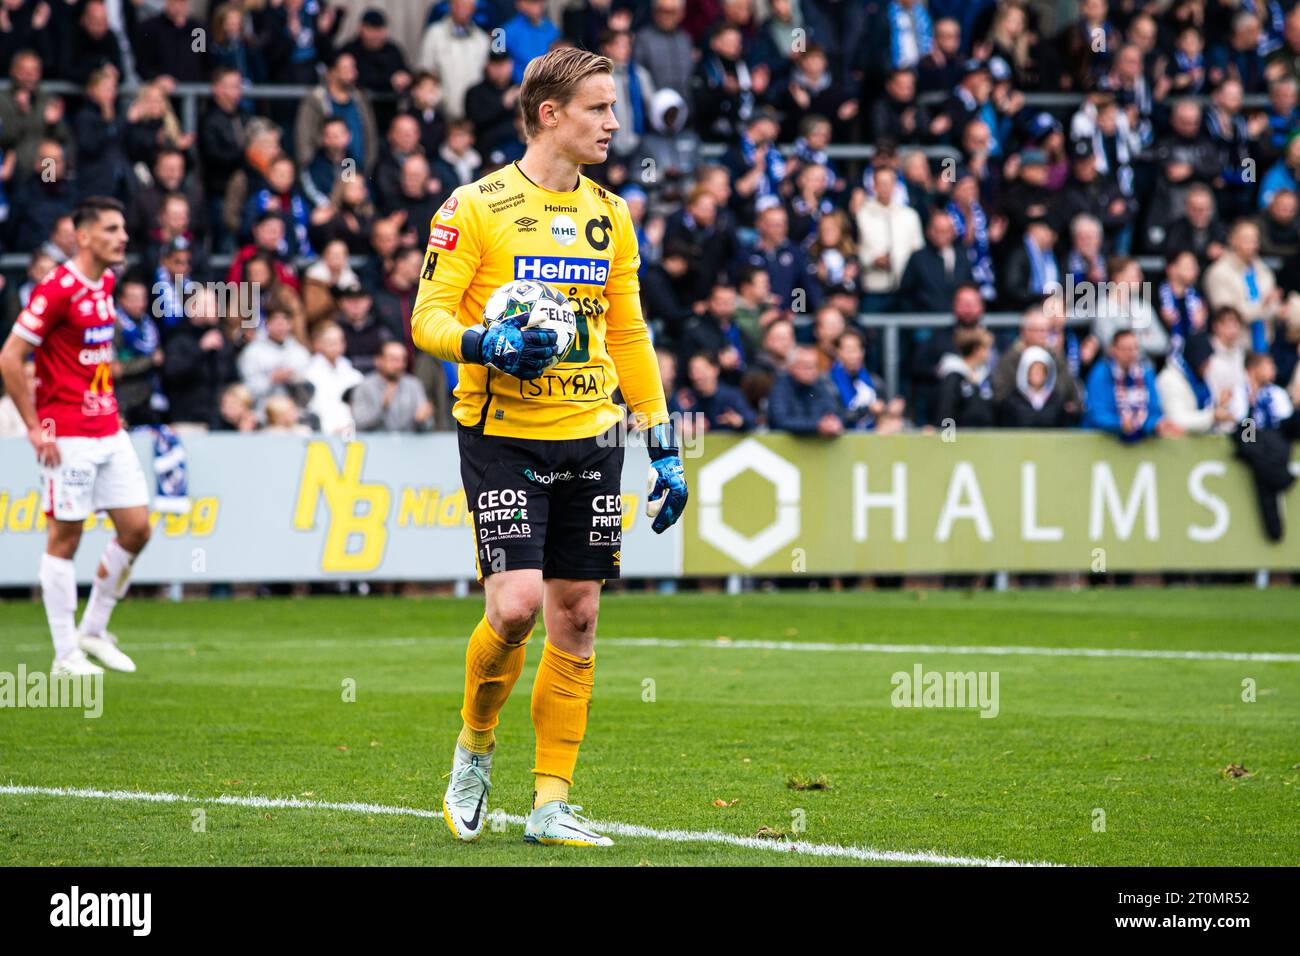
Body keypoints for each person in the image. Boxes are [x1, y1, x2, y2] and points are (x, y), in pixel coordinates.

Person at [409, 47, 687, 848]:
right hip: (502, 434)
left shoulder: (612, 213)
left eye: (614, 108)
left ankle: (551, 802)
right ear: (549, 115)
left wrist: (661, 439)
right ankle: (475, 744)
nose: (613, 122)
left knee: (580, 615)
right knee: (517, 606)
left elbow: (628, 332)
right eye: (600, 108)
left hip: (593, 435)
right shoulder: (475, 206)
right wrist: (484, 343)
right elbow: (426, 318)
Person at [0, 197, 150, 676]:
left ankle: (94, 629)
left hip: (107, 427)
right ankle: (66, 654)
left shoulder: (106, 281)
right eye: (110, 229)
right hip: (67, 435)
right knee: (65, 539)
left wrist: (108, 403)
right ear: (83, 236)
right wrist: (36, 426)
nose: (122, 237)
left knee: (137, 528)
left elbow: (91, 359)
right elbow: (10, 356)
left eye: (123, 228)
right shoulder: (57, 289)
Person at [1084, 329, 1181, 442]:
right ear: (1113, 350)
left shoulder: (1147, 374)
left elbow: (1153, 410)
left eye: (1134, 348)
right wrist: (1119, 423)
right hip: (1103, 443)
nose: (1131, 353)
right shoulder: (1101, 374)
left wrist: (1157, 424)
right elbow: (1097, 414)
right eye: (1125, 349)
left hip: (1141, 444)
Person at [351, 341, 435, 433]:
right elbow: (358, 425)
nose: (400, 365)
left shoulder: (413, 385)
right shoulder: (364, 386)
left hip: (409, 445)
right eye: (394, 359)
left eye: (403, 360)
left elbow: (428, 426)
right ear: (378, 361)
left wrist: (424, 420)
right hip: (377, 445)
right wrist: (382, 407)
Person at [767, 344, 845, 435]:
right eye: (807, 366)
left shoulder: (819, 384)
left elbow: (834, 410)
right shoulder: (780, 387)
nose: (813, 371)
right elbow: (779, 421)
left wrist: (834, 422)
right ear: (792, 367)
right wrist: (817, 426)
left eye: (815, 365)